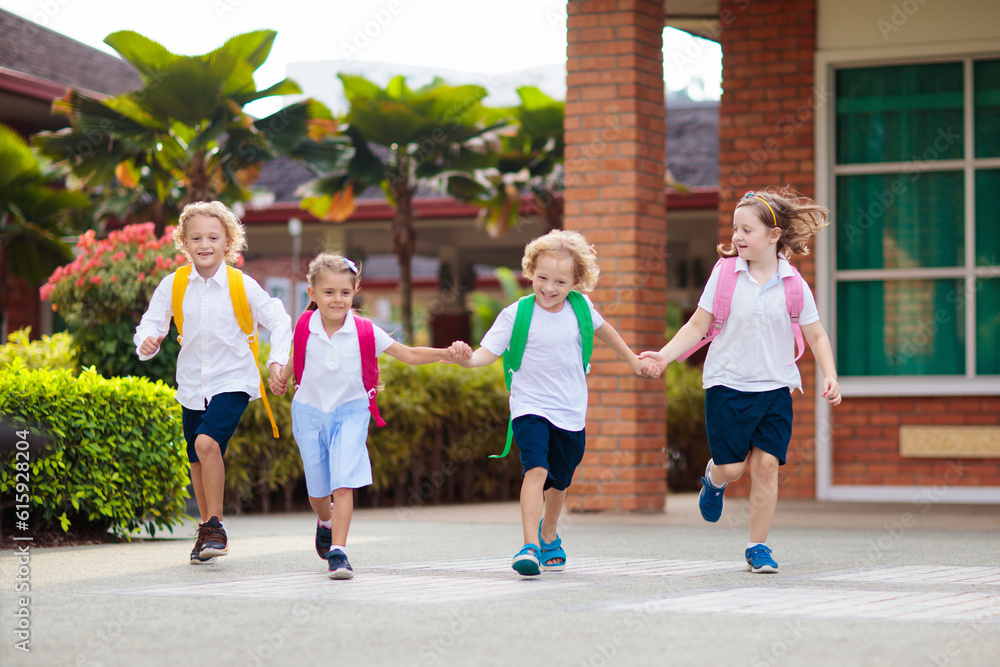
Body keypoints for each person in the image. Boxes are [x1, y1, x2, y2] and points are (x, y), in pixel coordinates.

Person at [640, 187, 842, 573]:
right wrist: (664, 356)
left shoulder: (793, 284)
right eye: (735, 228)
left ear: (773, 235)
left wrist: (830, 374)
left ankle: (758, 547)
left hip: (776, 389)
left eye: (746, 230)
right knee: (734, 469)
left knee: (766, 466)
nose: (736, 237)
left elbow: (816, 334)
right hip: (727, 387)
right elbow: (699, 325)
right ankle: (714, 481)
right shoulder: (725, 274)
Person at [448, 230, 654, 577]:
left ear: (576, 281)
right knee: (536, 469)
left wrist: (633, 360)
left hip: (571, 411)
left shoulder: (581, 308)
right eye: (542, 277)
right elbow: (485, 354)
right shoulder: (517, 314)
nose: (549, 287)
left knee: (559, 481)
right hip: (530, 407)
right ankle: (529, 545)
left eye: (560, 281)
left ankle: (549, 532)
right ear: (530, 271)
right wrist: (465, 359)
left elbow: (606, 332)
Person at [270, 253, 456, 579]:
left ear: (355, 291)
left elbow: (408, 354)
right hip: (309, 414)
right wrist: (282, 378)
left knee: (343, 481)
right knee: (318, 492)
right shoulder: (304, 326)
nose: (337, 299)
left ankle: (338, 552)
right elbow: (298, 359)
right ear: (312, 294)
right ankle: (324, 521)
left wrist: (446, 354)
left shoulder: (364, 331)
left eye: (345, 292)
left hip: (352, 413)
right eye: (328, 292)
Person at [135, 201, 292, 565]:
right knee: (196, 459)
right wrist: (148, 340)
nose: (204, 244)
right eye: (196, 238)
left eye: (213, 237)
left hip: (233, 380)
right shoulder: (173, 284)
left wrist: (276, 361)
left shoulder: (241, 284)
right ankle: (207, 529)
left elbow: (280, 320)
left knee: (206, 444)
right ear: (184, 243)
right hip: (191, 384)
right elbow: (152, 323)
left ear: (228, 243)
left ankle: (216, 527)